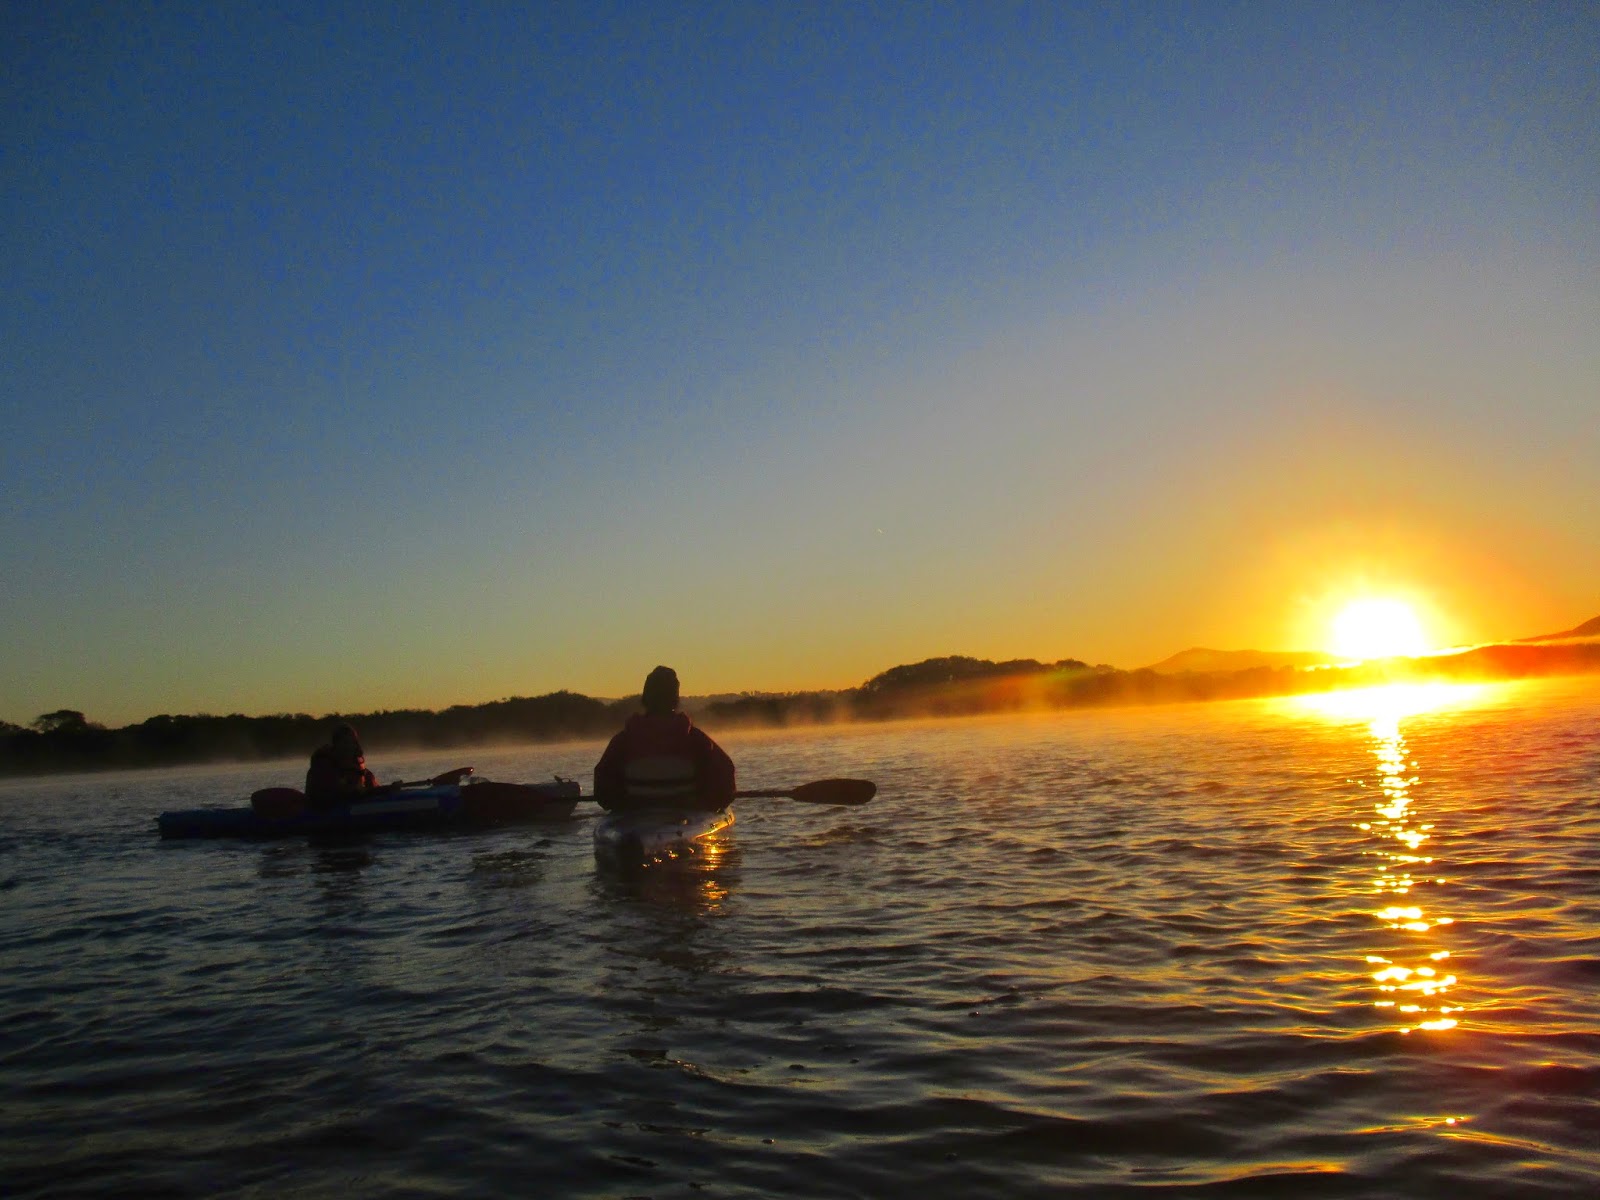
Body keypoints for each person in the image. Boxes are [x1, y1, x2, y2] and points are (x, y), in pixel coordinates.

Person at [593, 666, 735, 811]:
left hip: (634, 817)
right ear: (675, 699)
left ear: (645, 698)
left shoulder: (622, 741)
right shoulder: (696, 739)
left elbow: (603, 791)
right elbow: (726, 776)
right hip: (686, 817)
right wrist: (709, 806)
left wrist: (619, 806)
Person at [305, 723, 381, 809]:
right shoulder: (323, 766)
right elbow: (330, 796)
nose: (349, 746)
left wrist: (389, 789)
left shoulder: (358, 768)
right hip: (325, 813)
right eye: (345, 742)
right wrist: (359, 793)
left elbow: (373, 788)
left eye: (352, 742)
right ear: (336, 744)